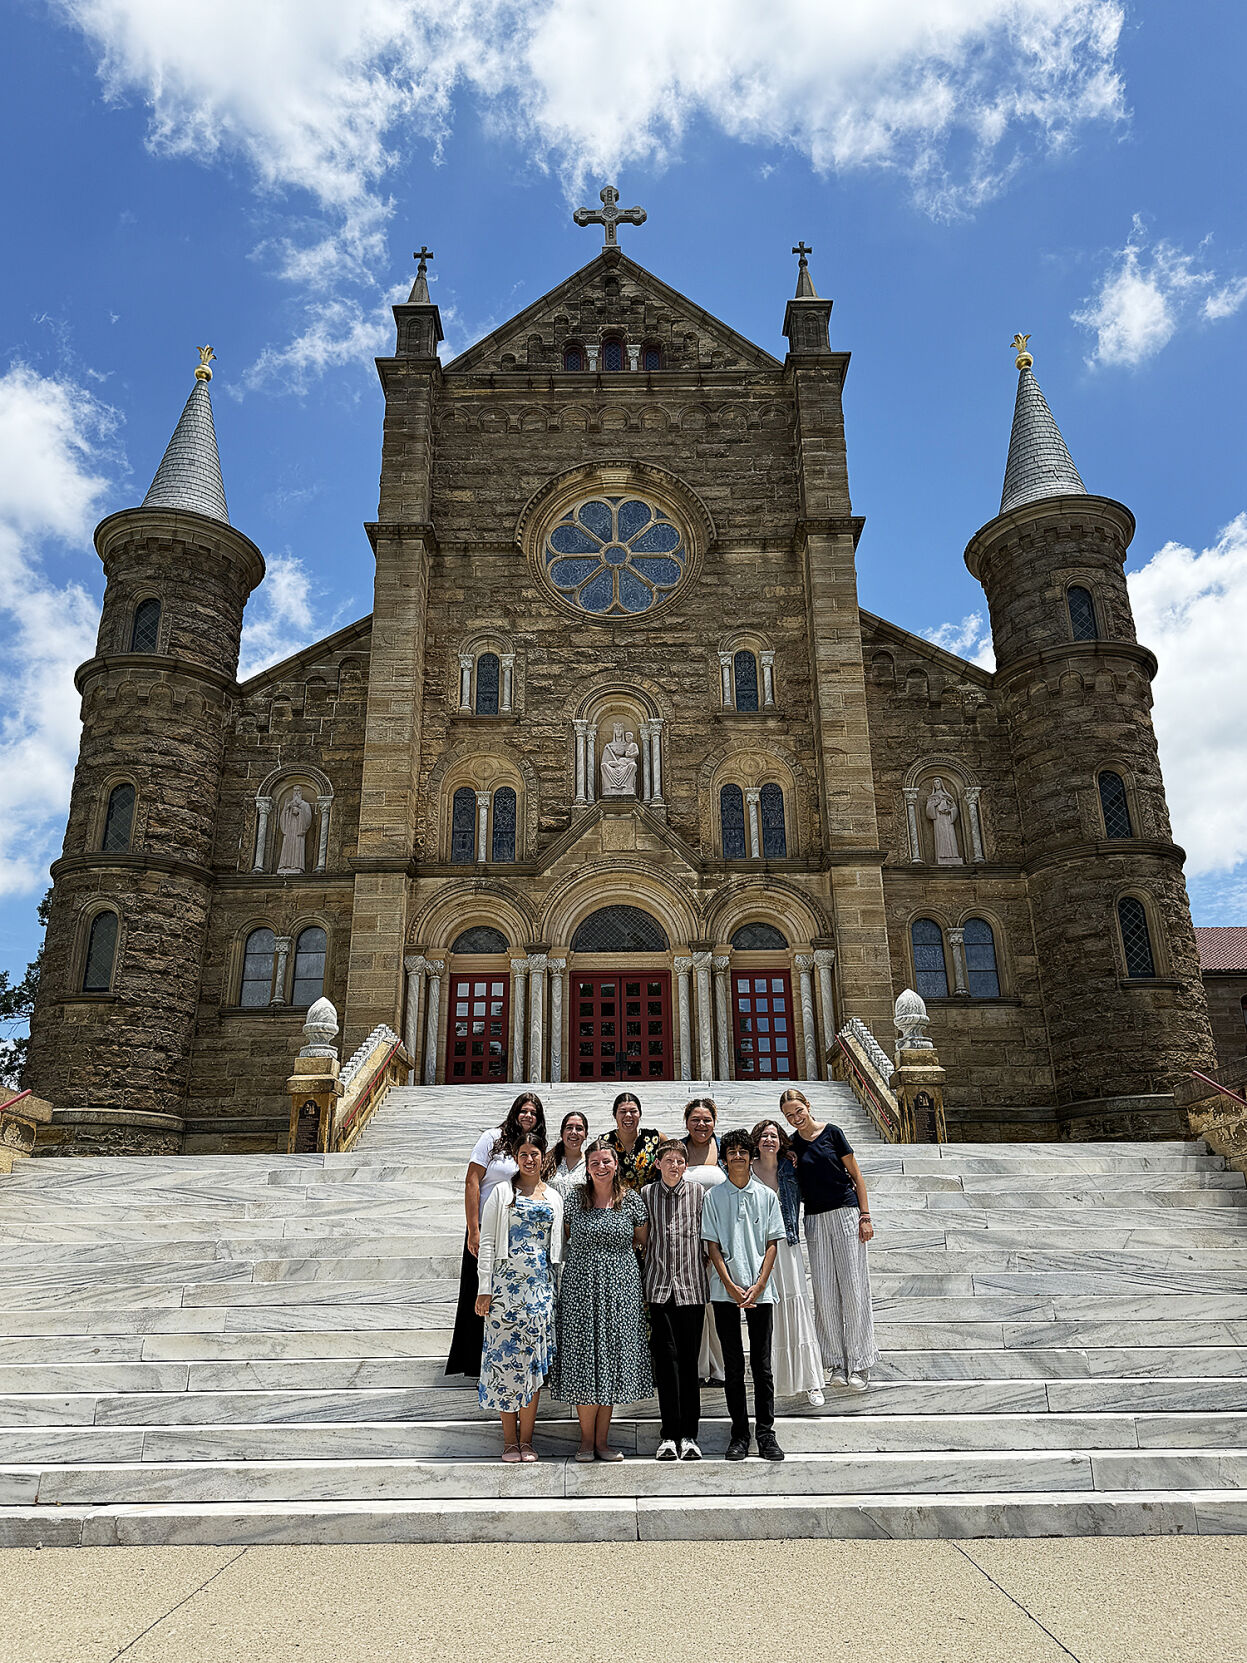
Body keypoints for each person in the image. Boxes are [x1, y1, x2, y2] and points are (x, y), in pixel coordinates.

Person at [550, 1137, 652, 1461]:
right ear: (587, 1167)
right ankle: (585, 1441)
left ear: (616, 1164)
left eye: (606, 1161)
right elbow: (567, 1234)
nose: (601, 1166)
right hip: (580, 1289)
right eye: (594, 1162)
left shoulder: (630, 1199)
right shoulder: (575, 1198)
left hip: (620, 1289)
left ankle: (603, 1442)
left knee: (610, 1360)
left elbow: (642, 1238)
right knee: (585, 1360)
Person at [779, 1086, 879, 1391]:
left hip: (846, 1213)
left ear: (808, 1105)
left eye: (798, 1110)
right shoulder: (792, 1146)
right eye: (789, 1115)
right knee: (823, 1291)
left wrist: (865, 1216)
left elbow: (857, 1176)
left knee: (853, 1287)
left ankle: (860, 1362)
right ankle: (836, 1362)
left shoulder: (832, 1133)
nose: (796, 1117)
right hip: (814, 1219)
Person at [475, 1129, 564, 1462]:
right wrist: (484, 1288)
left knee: (531, 1366)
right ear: (516, 1158)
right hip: (504, 1291)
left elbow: (558, 1248)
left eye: (534, 1154)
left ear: (543, 1157)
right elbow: (487, 1242)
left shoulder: (553, 1197)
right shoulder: (502, 1192)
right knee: (505, 1364)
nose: (529, 1160)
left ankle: (527, 1441)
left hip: (540, 1290)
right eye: (523, 1154)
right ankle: (509, 1441)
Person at [444, 1091, 546, 1379]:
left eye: (533, 1112)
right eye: (524, 1110)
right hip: (485, 1229)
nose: (528, 1116)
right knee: (478, 1292)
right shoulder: (492, 1138)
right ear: (514, 1112)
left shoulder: (533, 1146)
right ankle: (472, 1362)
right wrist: (473, 1229)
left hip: (516, 1234)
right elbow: (472, 1181)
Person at [702, 1128, 786, 1461]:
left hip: (760, 1290)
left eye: (743, 1151)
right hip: (725, 1291)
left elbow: (772, 1243)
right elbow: (712, 1246)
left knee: (762, 1366)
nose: (737, 1156)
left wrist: (760, 1284)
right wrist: (730, 1285)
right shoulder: (713, 1197)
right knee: (733, 1366)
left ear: (751, 1156)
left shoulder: (767, 1195)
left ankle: (766, 1433)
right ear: (724, 1158)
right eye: (731, 1151)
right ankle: (739, 1433)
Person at [642, 1138, 709, 1461]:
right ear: (658, 1164)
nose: (674, 1166)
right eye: (668, 1160)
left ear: (686, 1165)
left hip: (691, 1289)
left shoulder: (698, 1193)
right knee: (666, 1362)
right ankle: (669, 1435)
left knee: (688, 1362)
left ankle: (689, 1435)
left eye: (679, 1161)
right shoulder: (646, 1194)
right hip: (659, 1289)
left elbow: (708, 1236)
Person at [752, 1118, 825, 1407]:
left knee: (796, 1308)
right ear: (756, 1141)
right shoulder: (746, 1169)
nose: (769, 1140)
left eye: (773, 1135)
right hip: (758, 1250)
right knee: (768, 1313)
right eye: (763, 1136)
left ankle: (811, 1380)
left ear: (781, 1141)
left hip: (787, 1244)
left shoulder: (790, 1167)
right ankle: (775, 1379)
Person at [680, 1096, 727, 1384]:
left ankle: (721, 1367)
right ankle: (697, 1367)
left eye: (706, 1119)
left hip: (721, 1239)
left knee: (719, 1304)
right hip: (686, 1240)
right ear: (686, 1122)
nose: (701, 1124)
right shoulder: (678, 1150)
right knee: (693, 1306)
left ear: (714, 1121)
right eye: (695, 1119)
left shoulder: (725, 1148)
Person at [605, 1091, 662, 1190]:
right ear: (614, 1115)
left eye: (633, 1111)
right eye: (623, 1111)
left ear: (640, 1114)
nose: (628, 1115)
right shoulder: (605, 1141)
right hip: (615, 1198)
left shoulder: (656, 1139)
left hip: (649, 1198)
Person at [546, 1110, 589, 1196]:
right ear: (561, 1133)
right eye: (569, 1128)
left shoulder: (589, 1164)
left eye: (579, 1129)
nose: (574, 1132)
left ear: (586, 1135)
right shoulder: (547, 1162)